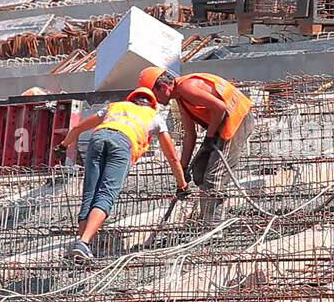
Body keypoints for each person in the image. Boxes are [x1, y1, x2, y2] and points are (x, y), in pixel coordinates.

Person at [60, 83, 188, 262]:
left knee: (89, 194)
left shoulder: (114, 107)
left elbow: (77, 128)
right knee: (106, 194)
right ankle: (83, 243)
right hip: (122, 144)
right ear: (152, 103)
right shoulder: (155, 116)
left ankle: (81, 249)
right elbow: (173, 157)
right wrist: (182, 184)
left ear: (132, 99)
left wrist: (63, 145)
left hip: (97, 139)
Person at [143, 68, 255, 226]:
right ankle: (208, 219)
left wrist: (209, 137)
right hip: (221, 125)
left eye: (154, 96)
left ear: (163, 88)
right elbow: (190, 135)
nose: (155, 102)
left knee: (214, 178)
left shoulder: (186, 87)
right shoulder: (180, 97)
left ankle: (213, 227)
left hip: (237, 120)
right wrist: (182, 169)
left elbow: (220, 108)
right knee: (199, 172)